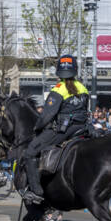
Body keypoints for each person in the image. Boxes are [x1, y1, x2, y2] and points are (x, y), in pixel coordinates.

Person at [21, 54, 90, 205]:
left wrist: (36, 127)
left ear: (59, 72)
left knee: (30, 152)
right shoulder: (83, 88)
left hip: (64, 130)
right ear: (75, 70)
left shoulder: (59, 89)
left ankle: (36, 192)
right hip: (83, 128)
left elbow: (47, 115)